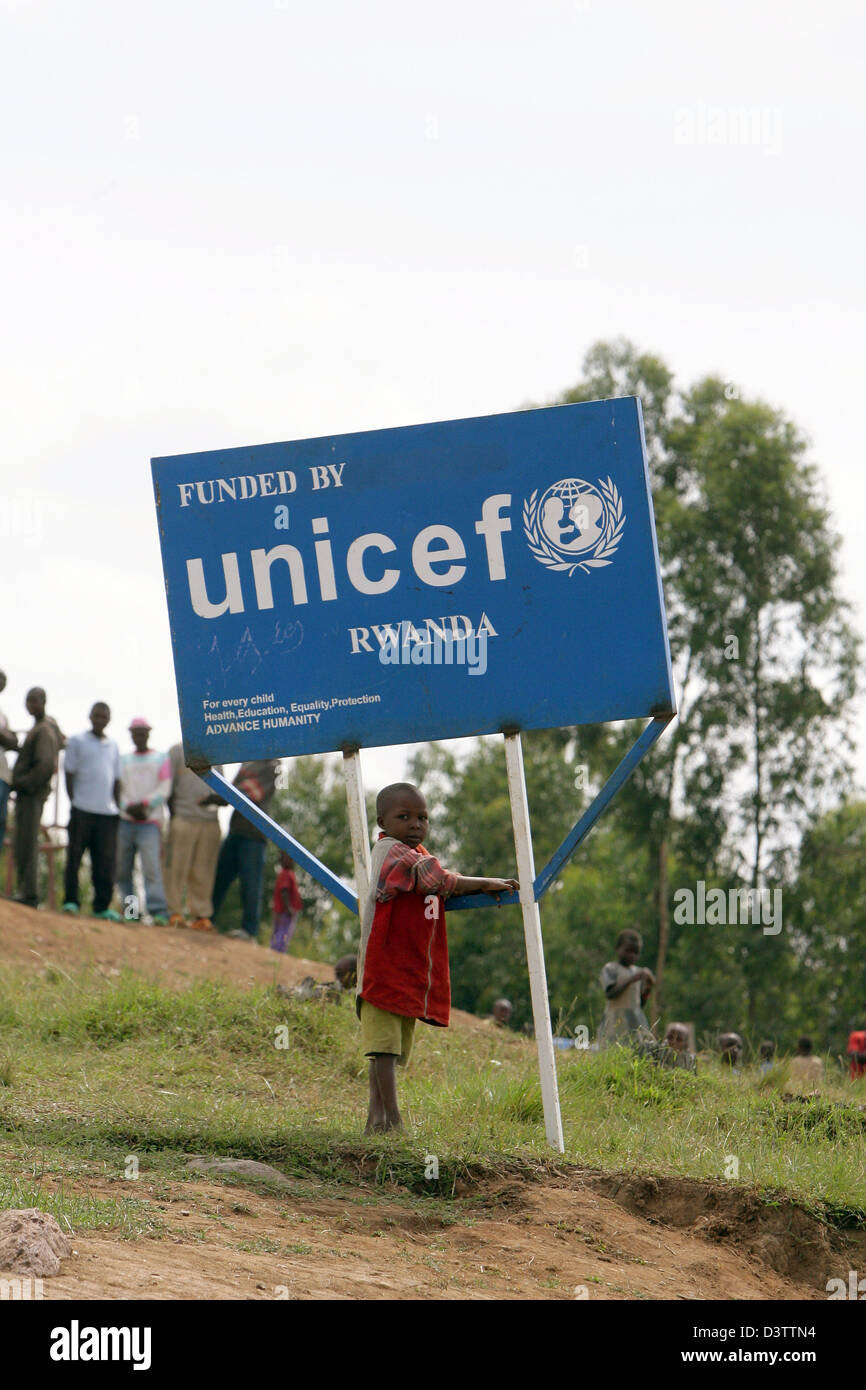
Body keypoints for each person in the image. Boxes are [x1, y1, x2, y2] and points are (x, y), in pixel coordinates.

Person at [356, 781, 518, 1133]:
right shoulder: (391, 852)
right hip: (381, 970)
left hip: (401, 972)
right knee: (383, 1050)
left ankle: (375, 1121)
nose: (416, 824)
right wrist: (484, 882)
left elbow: (435, 879)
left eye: (422, 817)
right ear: (382, 822)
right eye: (404, 816)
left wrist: (467, 882)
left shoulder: (415, 853)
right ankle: (393, 1120)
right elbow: (434, 879)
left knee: (389, 1051)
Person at [62, 702, 122, 920]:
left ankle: (101, 907)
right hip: (81, 810)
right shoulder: (77, 741)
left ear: (109, 719)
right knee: (74, 858)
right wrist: (75, 801)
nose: (100, 719)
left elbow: (116, 780)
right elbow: (68, 773)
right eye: (96, 715)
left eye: (104, 716)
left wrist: (117, 807)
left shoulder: (113, 746)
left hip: (107, 814)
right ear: (90, 716)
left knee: (105, 862)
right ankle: (71, 901)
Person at [211, 760, 280, 942]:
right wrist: (222, 795)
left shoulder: (276, 765)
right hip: (236, 829)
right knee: (220, 878)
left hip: (255, 833)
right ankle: (207, 920)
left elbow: (255, 793)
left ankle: (250, 932)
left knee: (251, 884)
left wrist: (224, 795)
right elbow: (232, 789)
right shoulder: (247, 762)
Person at [117, 718, 172, 925]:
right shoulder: (123, 760)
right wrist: (128, 806)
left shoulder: (161, 758)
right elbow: (118, 789)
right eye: (135, 732)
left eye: (142, 732)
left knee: (151, 868)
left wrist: (145, 805)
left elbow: (165, 788)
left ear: (148, 733)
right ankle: (131, 911)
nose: (139, 736)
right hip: (126, 820)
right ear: (131, 734)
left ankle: (157, 911)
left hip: (150, 822)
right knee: (124, 869)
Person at [10, 687, 61, 908]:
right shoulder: (38, 728)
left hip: (31, 795)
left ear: (43, 701)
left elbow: (46, 765)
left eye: (34, 700)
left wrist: (24, 784)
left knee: (28, 842)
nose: (30, 705)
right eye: (27, 700)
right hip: (28, 794)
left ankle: (29, 894)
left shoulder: (44, 730)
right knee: (22, 841)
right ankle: (25, 891)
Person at [164, 744, 223, 931]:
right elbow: (167, 789)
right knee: (176, 869)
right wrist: (174, 818)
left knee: (203, 871)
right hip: (183, 818)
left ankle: (200, 916)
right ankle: (174, 913)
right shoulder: (175, 751)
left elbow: (222, 791)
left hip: (210, 821)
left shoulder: (217, 751)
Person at [596, 928, 655, 1048]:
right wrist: (633, 978)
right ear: (618, 949)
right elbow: (611, 993)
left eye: (636, 952)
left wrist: (648, 988)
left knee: (637, 1053)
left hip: (635, 1022)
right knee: (612, 1052)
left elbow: (639, 1003)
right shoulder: (611, 969)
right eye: (628, 951)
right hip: (613, 1022)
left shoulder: (637, 971)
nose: (632, 956)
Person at [0, 671, 19, 855]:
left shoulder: (3, 715)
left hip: (3, 775)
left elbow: (12, 741)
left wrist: (7, 737)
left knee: (1, 820)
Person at [270, 851, 303, 952]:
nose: (291, 860)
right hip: (284, 911)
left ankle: (274, 950)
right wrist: (289, 908)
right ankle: (278, 951)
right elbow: (284, 891)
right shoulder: (286, 874)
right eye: (288, 858)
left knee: (278, 931)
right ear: (282, 860)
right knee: (283, 932)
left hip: (280, 910)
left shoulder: (286, 873)